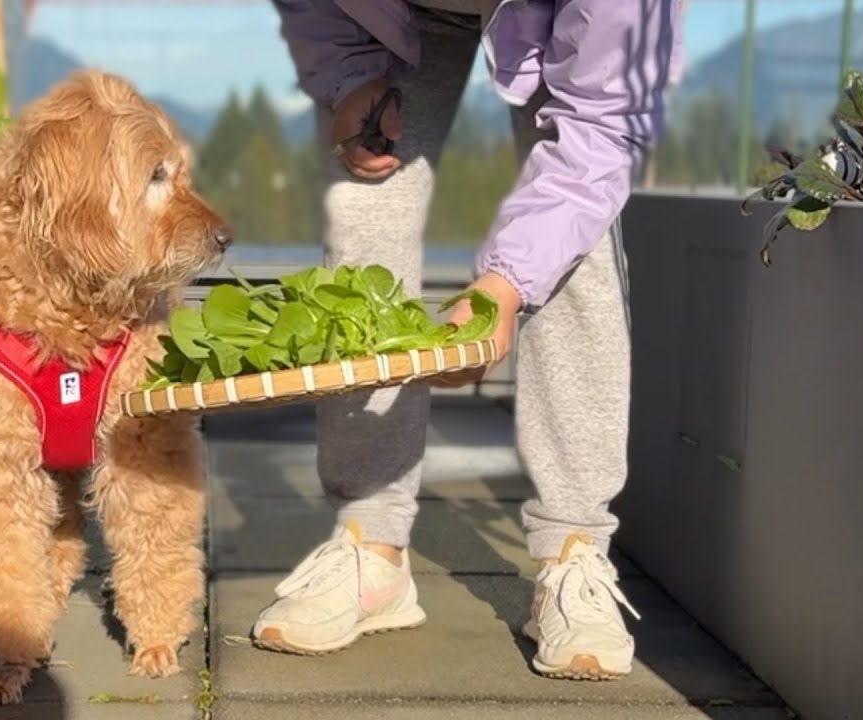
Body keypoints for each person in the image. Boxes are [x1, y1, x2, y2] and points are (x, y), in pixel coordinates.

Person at [252, 0, 683, 679]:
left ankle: (572, 546)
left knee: (579, 246)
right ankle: (372, 541)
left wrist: (504, 286)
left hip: (558, 17)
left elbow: (601, 128)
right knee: (364, 206)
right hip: (391, 15)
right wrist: (351, 77)